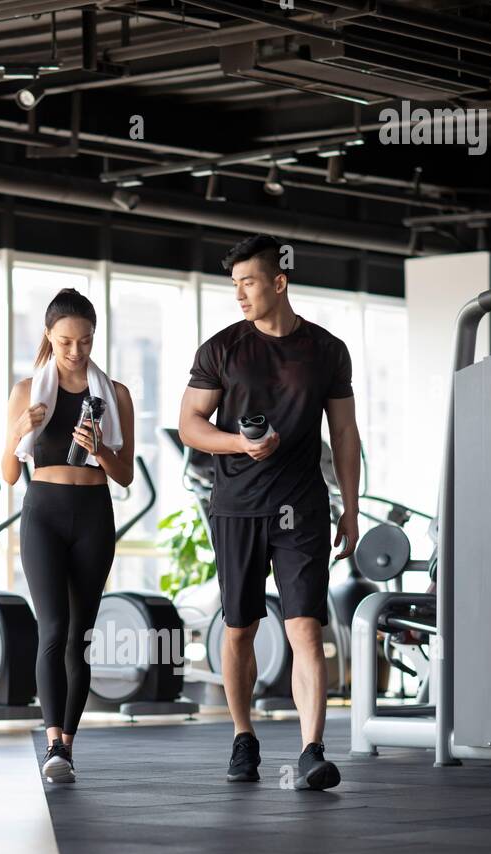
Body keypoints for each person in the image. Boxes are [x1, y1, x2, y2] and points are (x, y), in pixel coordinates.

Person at [179, 234, 360, 789]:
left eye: (249, 282)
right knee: (240, 627)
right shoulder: (221, 349)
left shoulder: (327, 350)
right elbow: (191, 424)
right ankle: (243, 736)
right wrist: (240, 444)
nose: (239, 293)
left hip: (302, 506)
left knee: (305, 626)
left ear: (279, 282)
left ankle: (312, 750)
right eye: (234, 284)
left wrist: (350, 509)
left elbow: (346, 433)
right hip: (236, 506)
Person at [1, 288, 135, 783]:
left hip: (93, 513)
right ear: (48, 338)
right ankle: (52, 742)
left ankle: (69, 748)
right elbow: (10, 476)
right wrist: (18, 432)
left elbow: (125, 477)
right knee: (52, 630)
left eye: (85, 341)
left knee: (80, 637)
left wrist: (100, 449)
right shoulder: (25, 392)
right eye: (65, 343)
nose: (76, 352)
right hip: (44, 513)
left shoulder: (114, 395)